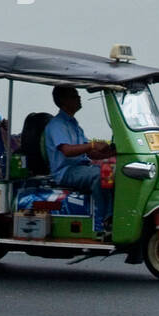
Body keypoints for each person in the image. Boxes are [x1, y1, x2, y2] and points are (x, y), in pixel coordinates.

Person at [43, 84, 116, 235]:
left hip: (81, 168)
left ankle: (113, 215)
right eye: (74, 95)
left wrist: (110, 153)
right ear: (64, 101)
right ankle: (102, 222)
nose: (79, 98)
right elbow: (67, 151)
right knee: (98, 175)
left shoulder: (73, 123)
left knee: (113, 171)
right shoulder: (57, 125)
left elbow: (89, 153)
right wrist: (93, 144)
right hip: (65, 171)